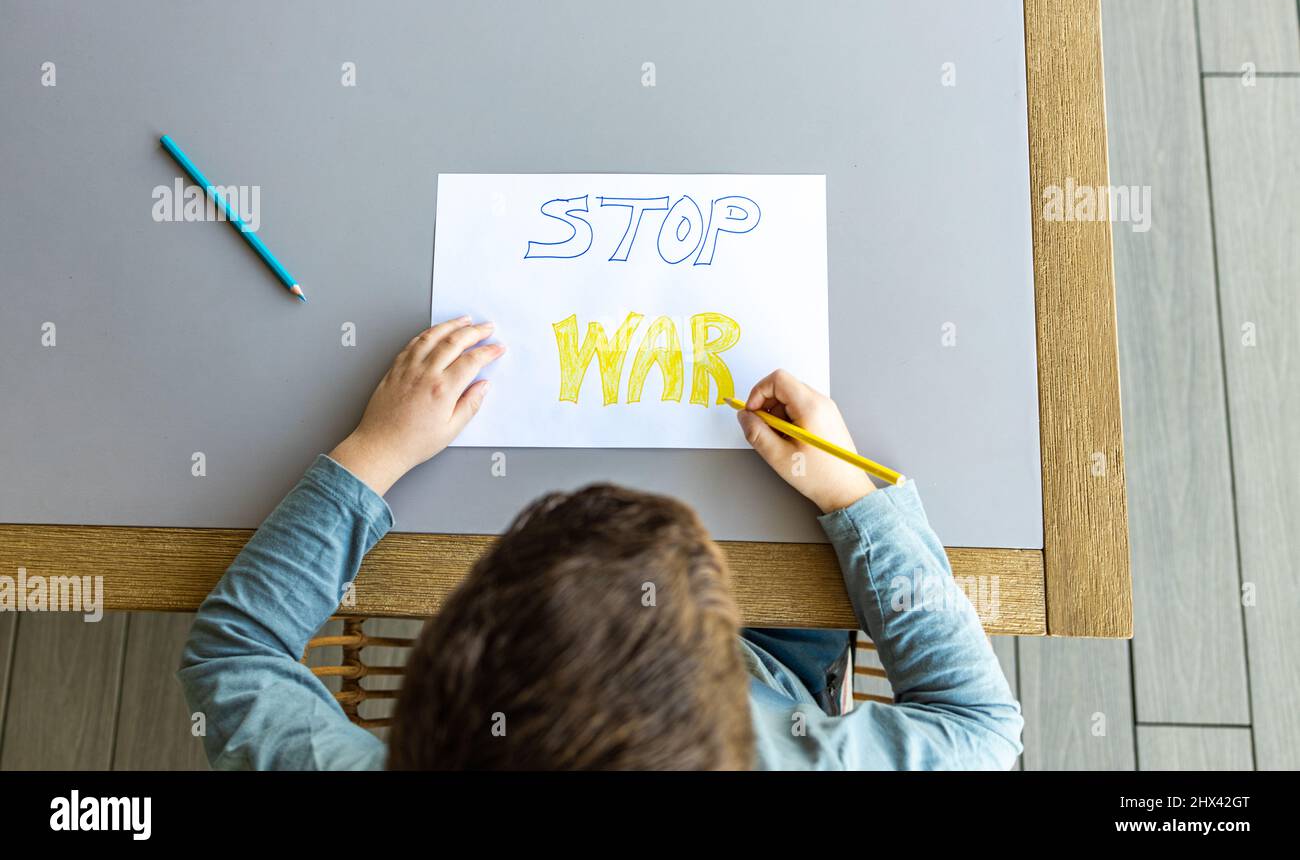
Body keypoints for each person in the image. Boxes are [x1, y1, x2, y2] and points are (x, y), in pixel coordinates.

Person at [179, 316, 1022, 769]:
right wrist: (851, 495)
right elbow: (983, 726)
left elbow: (235, 653)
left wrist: (375, 452)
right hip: (775, 668)